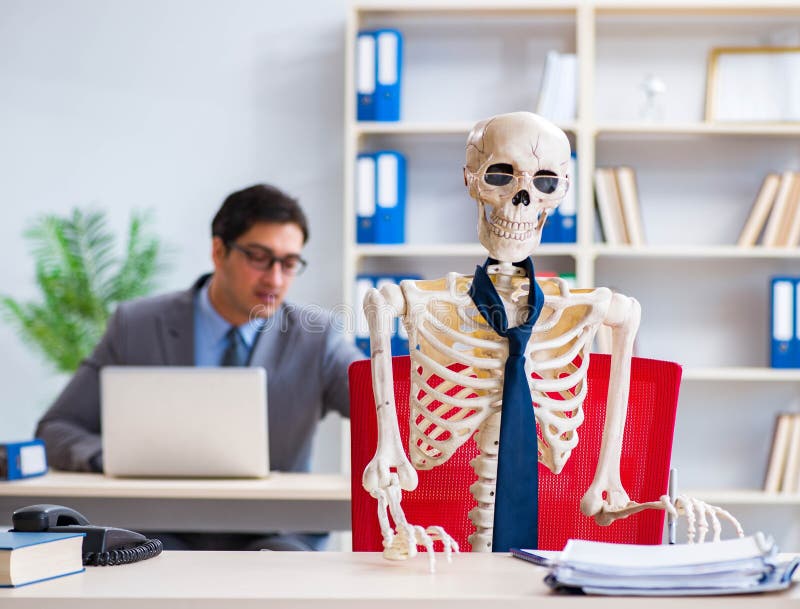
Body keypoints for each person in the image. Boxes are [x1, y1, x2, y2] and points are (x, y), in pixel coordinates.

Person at [35, 183, 364, 551]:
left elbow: (387, 408)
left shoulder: (316, 338)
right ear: (218, 250)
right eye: (259, 257)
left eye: (289, 264)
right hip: (159, 530)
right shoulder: (138, 325)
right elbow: (55, 429)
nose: (274, 279)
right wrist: (109, 455)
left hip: (277, 533)